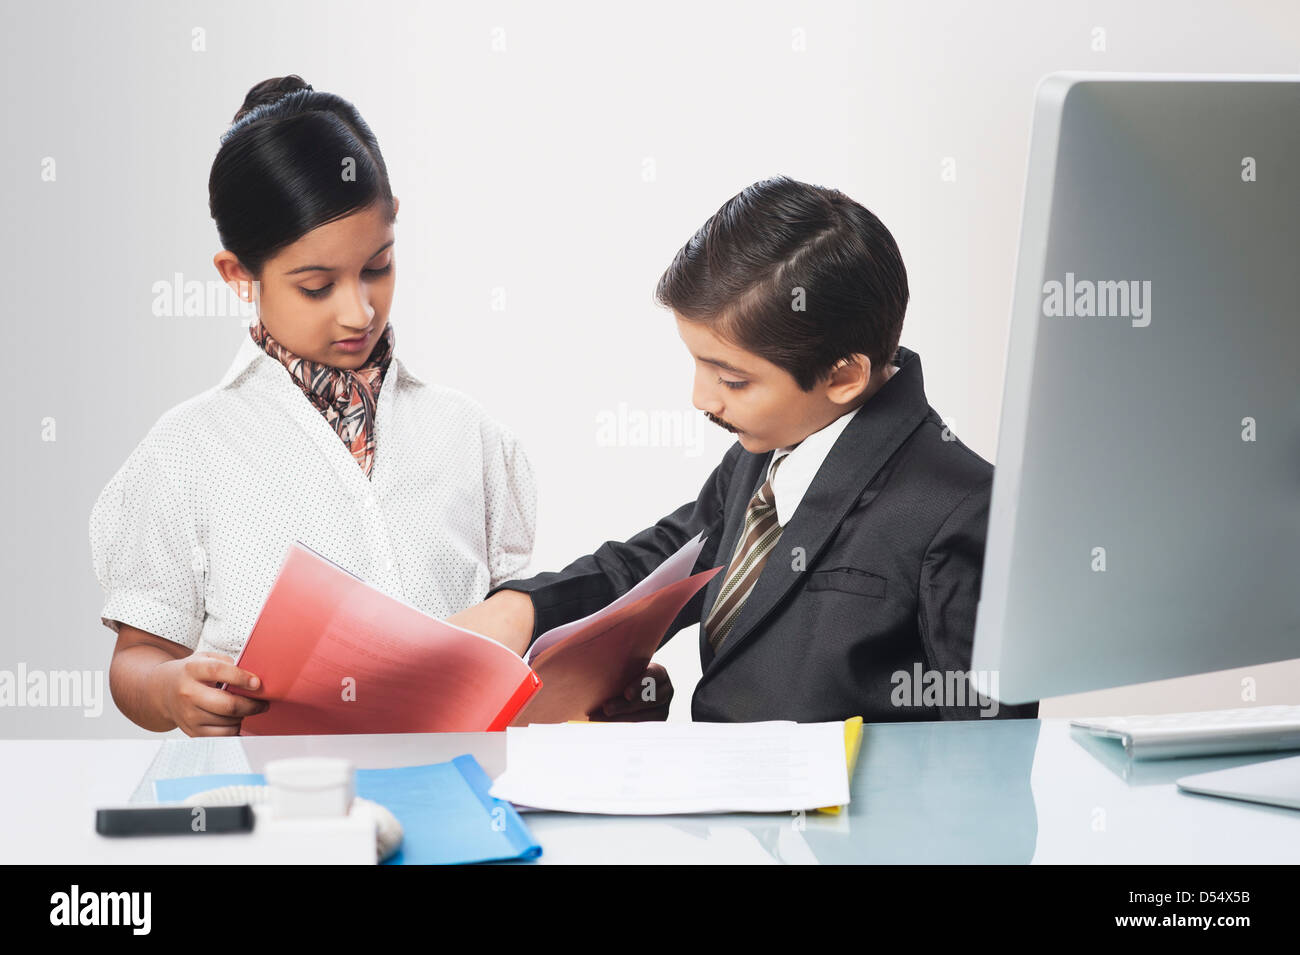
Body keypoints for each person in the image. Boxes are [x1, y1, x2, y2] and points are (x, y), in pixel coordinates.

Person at [451, 176, 1040, 723]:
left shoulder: (967, 510)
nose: (701, 399)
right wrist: (524, 611)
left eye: (732, 380)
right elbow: (658, 568)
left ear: (843, 377)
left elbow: (988, 757)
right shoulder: (766, 453)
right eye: (698, 365)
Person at [90, 75, 540, 736]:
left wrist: (593, 686)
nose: (358, 311)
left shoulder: (468, 435)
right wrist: (171, 690)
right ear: (238, 274)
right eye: (316, 284)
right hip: (275, 812)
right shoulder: (187, 448)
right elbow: (139, 658)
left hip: (463, 793)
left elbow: (519, 641)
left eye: (378, 266)